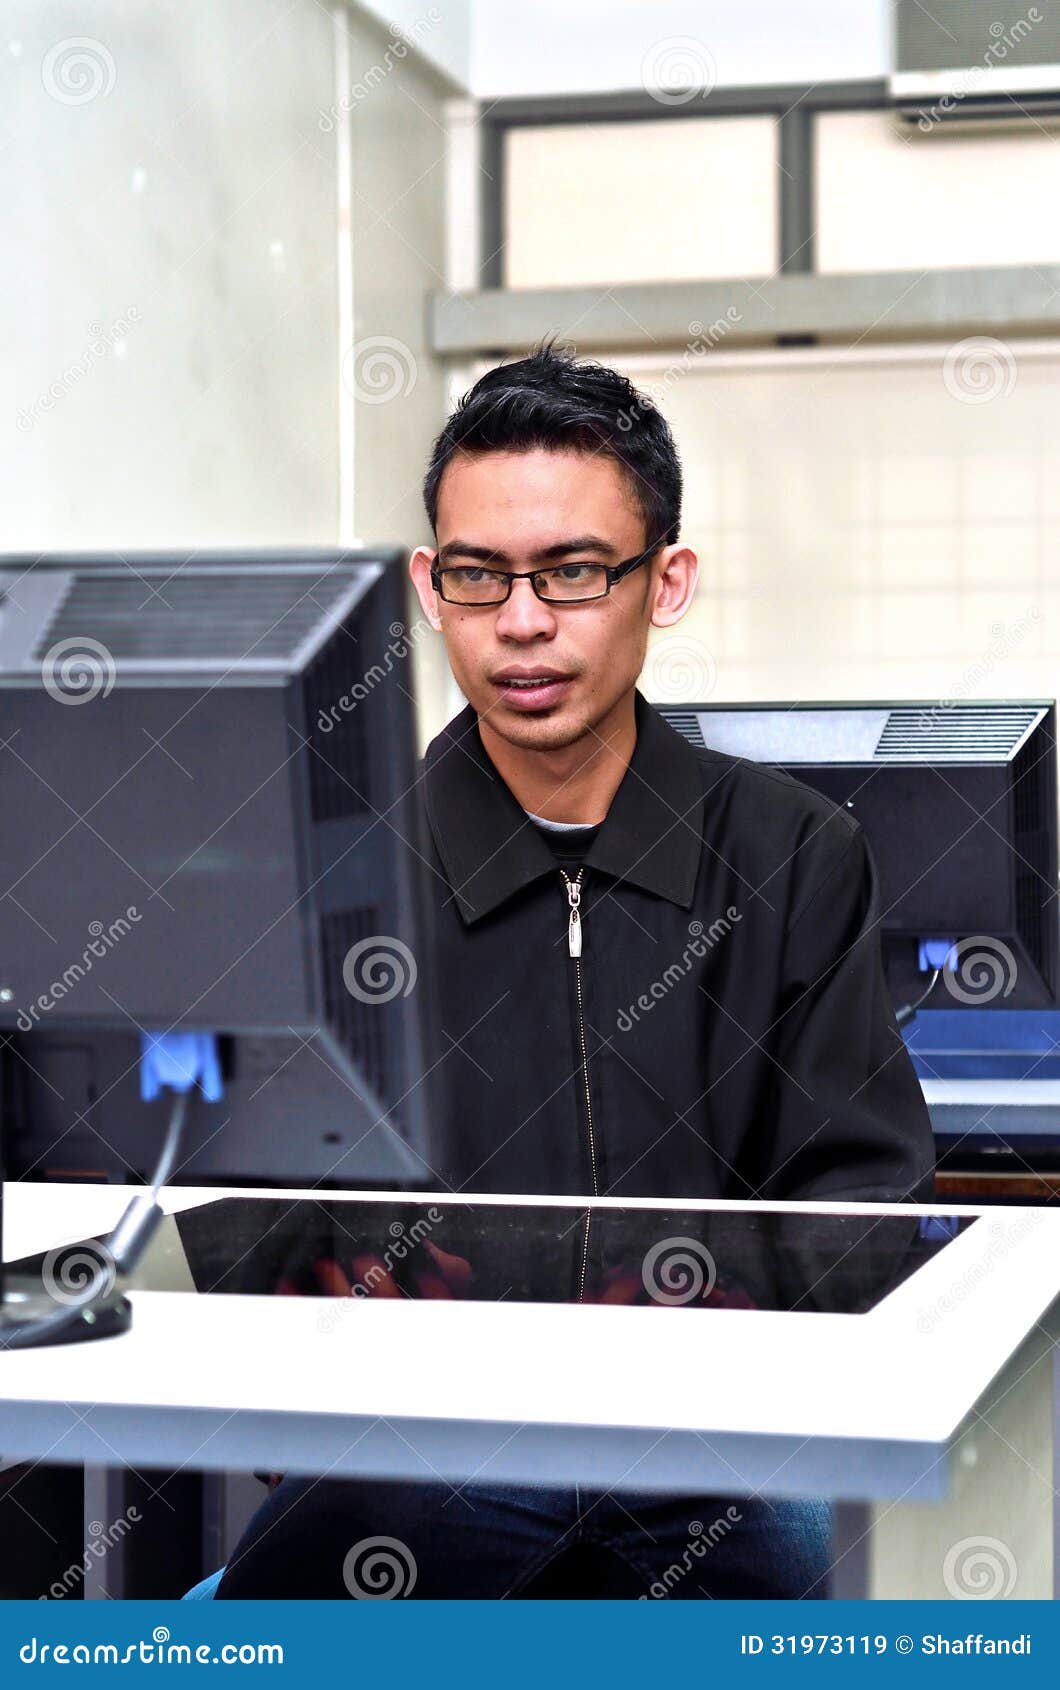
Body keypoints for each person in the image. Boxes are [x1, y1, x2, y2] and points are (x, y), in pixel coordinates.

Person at [215, 339, 935, 1600]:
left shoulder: (787, 851)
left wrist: (699, 1356)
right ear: (432, 590)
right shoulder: (339, 862)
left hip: (706, 1450)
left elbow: (858, 1196)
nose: (524, 622)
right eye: (482, 577)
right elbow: (249, 1209)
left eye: (574, 572)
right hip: (417, 1441)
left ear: (664, 582)